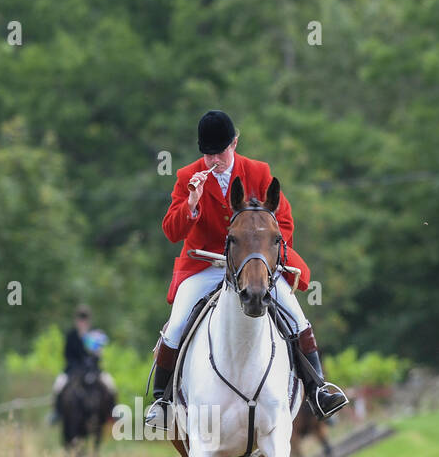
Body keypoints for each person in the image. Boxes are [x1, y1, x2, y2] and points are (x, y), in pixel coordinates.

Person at [145, 110, 347, 429]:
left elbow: (284, 222)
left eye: (220, 152)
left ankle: (319, 389)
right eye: (208, 154)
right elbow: (171, 230)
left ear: (235, 143)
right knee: (175, 325)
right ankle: (162, 401)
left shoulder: (258, 171)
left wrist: (263, 256)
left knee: (296, 317)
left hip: (255, 265)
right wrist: (192, 204)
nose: (214, 160)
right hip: (206, 264)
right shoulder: (187, 178)